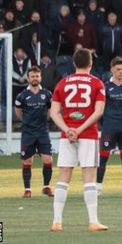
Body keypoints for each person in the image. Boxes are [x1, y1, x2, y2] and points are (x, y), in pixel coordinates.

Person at [48, 48, 107, 232]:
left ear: (73, 63)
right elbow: (99, 112)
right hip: (87, 134)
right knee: (89, 177)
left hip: (68, 136)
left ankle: (57, 222)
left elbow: (53, 112)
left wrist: (68, 130)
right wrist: (80, 129)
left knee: (63, 177)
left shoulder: (62, 83)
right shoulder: (97, 83)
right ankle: (93, 221)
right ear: (91, 63)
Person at [97, 58, 122, 195]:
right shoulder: (105, 87)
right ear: (112, 69)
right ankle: (98, 187)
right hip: (109, 125)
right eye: (118, 69)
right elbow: (100, 107)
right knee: (104, 157)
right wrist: (105, 121)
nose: (120, 72)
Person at [15, 65, 53, 198]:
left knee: (48, 160)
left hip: (43, 132)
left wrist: (44, 121)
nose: (35, 78)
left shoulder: (47, 94)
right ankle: (27, 189)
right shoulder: (22, 96)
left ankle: (46, 187)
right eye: (32, 76)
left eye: (37, 76)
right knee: (27, 162)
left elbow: (50, 110)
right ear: (28, 78)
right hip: (28, 133)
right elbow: (18, 113)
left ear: (40, 77)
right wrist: (27, 122)